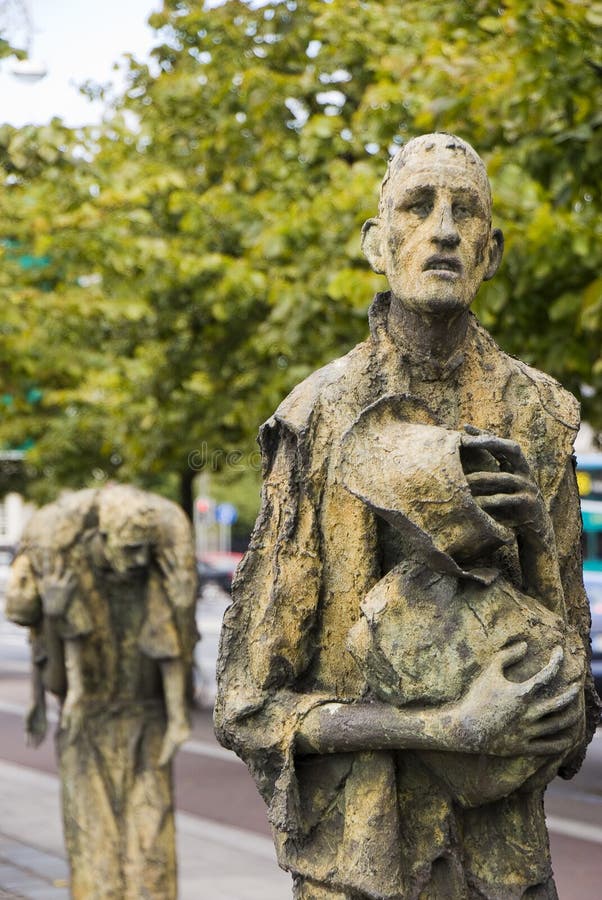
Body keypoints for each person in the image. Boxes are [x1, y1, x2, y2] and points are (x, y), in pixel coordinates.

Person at [214, 133, 600, 899]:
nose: (444, 229)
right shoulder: (318, 416)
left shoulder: (543, 415)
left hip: (507, 871)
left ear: (491, 251)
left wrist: (528, 547)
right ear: (377, 243)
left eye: (465, 211)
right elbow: (250, 705)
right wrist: (447, 729)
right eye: (417, 206)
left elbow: (574, 719)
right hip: (363, 864)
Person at [6, 484, 198, 900]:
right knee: (96, 857)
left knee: (152, 857)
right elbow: (60, 683)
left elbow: (173, 665)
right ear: (100, 539)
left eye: (145, 549)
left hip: (146, 725)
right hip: (88, 727)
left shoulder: (151, 588)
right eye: (129, 549)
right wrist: (54, 617)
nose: (139, 560)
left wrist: (183, 608)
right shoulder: (72, 579)